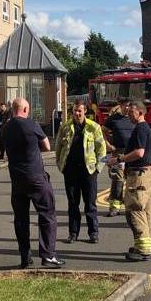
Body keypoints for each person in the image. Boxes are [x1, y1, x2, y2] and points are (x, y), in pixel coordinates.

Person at [2, 98, 65, 269]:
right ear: (25, 109)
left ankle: (25, 256)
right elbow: (46, 146)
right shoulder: (31, 124)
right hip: (35, 175)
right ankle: (48, 255)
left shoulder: (6, 128)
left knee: (21, 219)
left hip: (17, 178)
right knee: (47, 214)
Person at [108, 100, 151, 261]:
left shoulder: (141, 128)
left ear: (140, 112)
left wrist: (120, 158)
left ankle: (142, 249)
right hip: (145, 174)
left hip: (138, 176)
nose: (128, 114)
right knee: (146, 211)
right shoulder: (143, 128)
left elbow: (140, 152)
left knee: (134, 209)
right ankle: (144, 245)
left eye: (131, 111)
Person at [54, 100, 106, 244]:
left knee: (90, 204)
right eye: (75, 111)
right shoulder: (65, 127)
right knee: (72, 204)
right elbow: (58, 147)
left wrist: (98, 168)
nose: (77, 114)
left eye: (80, 111)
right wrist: (60, 165)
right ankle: (73, 233)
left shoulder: (94, 127)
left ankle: (93, 233)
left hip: (89, 171)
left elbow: (102, 150)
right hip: (70, 171)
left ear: (85, 112)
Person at [102, 98, 134, 217]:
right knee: (118, 180)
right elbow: (102, 131)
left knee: (132, 180)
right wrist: (108, 145)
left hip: (131, 153)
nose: (127, 108)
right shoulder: (113, 119)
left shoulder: (133, 119)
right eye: (125, 105)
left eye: (129, 106)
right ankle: (115, 207)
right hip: (118, 153)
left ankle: (131, 206)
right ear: (120, 106)